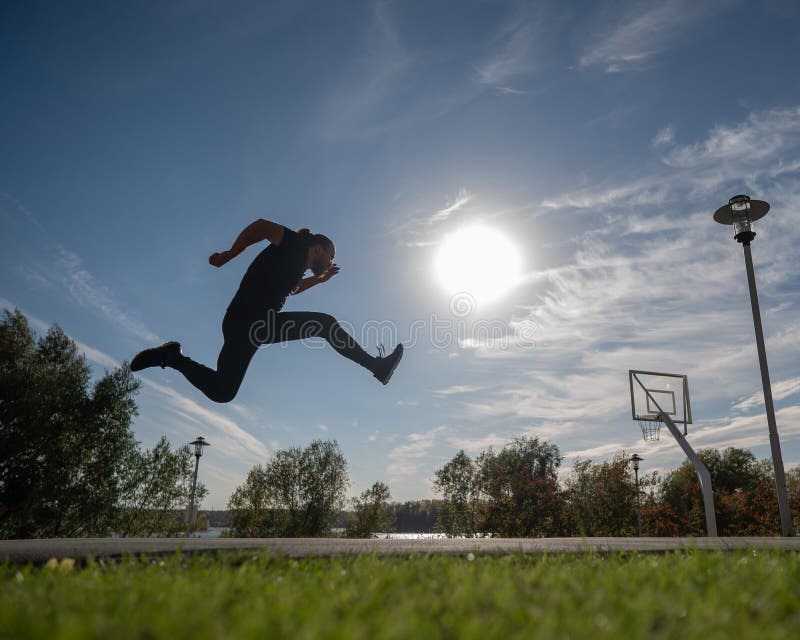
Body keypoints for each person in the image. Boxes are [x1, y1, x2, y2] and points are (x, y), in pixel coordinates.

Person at [130, 219, 403, 402]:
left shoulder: (293, 269)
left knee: (224, 391)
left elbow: (292, 290)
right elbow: (261, 226)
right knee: (325, 324)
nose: (331, 261)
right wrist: (228, 255)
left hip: (247, 326)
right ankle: (376, 366)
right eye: (330, 256)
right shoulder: (295, 244)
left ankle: (171, 357)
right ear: (318, 248)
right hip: (252, 320)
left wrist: (318, 281)